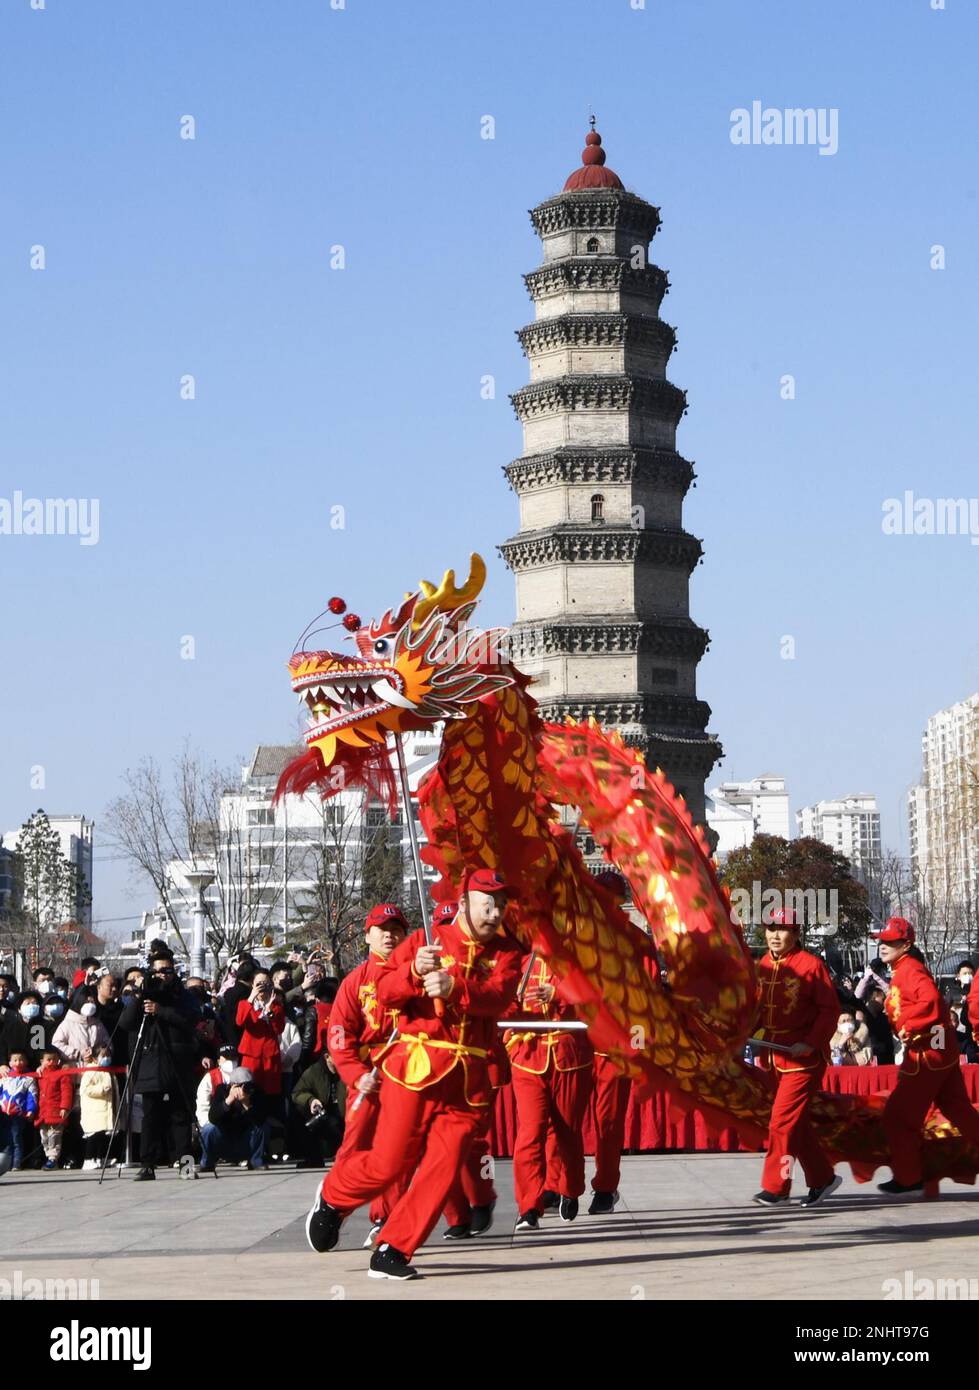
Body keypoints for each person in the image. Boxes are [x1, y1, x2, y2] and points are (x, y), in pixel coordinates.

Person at [307, 869, 523, 1280]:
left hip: (466, 1082)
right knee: (388, 1164)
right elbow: (385, 994)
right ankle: (334, 1197)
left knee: (442, 1169)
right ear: (463, 904)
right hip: (415, 1069)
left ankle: (394, 1248)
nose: (495, 913)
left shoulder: (507, 951)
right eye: (487, 904)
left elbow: (500, 997)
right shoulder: (425, 940)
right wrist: (412, 974)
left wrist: (455, 988)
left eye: (501, 905)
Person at [324, 901, 411, 1240]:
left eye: (396, 931)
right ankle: (333, 1208)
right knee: (355, 1146)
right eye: (382, 930)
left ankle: (385, 1219)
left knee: (398, 1148)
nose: (390, 936)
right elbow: (338, 1035)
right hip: (367, 1075)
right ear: (368, 937)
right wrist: (357, 1074)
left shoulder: (415, 975)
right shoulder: (355, 982)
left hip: (406, 1073)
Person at [878, 918, 979, 1196]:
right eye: (882, 940)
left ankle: (909, 1178)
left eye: (890, 942)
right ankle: (911, 1175)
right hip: (938, 1051)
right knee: (958, 1109)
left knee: (898, 1116)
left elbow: (932, 1003)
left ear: (906, 945)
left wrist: (909, 1026)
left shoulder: (910, 969)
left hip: (928, 1056)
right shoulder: (902, 970)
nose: (883, 946)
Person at [753, 907, 841, 1208]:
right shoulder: (763, 964)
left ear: (796, 934)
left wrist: (811, 1042)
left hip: (802, 1061)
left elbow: (830, 1010)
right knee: (795, 1124)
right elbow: (757, 1010)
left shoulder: (811, 965)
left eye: (782, 930)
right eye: (770, 929)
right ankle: (822, 1178)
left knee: (781, 1123)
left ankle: (777, 1186)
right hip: (774, 1058)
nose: (774, 936)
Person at [505, 953, 594, 1231]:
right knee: (530, 1133)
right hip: (528, 1056)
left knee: (566, 1130)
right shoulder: (517, 960)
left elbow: (598, 992)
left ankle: (569, 1188)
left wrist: (560, 993)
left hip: (568, 1055)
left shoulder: (580, 956)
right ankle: (529, 1206)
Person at [118, 951, 202, 1181]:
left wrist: (161, 1010)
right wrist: (139, 995)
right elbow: (126, 1022)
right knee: (150, 1117)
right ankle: (147, 1165)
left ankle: (186, 1164)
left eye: (167, 970)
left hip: (178, 1061)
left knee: (181, 1115)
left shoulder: (182, 995)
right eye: (158, 971)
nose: (163, 975)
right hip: (151, 1061)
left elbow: (191, 1020)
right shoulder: (145, 993)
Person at [200, 1067, 270, 1173]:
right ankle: (207, 1163)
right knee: (208, 1129)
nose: (246, 1088)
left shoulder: (257, 1092)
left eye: (249, 1084)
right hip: (224, 1140)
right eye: (242, 1085)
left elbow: (261, 1119)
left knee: (264, 1127)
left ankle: (255, 1161)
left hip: (246, 1141)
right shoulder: (222, 1091)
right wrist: (228, 1100)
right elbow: (212, 1118)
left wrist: (247, 1104)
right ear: (232, 1085)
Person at [235, 970, 285, 1099]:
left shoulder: (276, 1006)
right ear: (252, 985)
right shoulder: (244, 1004)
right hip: (251, 1054)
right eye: (259, 984)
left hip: (270, 1055)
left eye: (266, 984)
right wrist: (251, 998)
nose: (263, 987)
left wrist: (270, 1013)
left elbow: (279, 1029)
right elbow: (239, 1022)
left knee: (270, 1093)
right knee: (249, 1090)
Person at [291, 1049, 345, 1166]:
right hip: (324, 1114)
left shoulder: (347, 1069)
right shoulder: (314, 1072)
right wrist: (311, 1100)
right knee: (299, 1116)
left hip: (344, 1115)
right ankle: (314, 1158)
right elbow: (297, 1093)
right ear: (327, 1057)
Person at [51, 986, 111, 1066]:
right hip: (75, 1070)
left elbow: (108, 1043)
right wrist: (77, 1053)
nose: (90, 1005)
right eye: (86, 1002)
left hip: (96, 1069)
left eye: (92, 1002)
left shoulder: (98, 1024)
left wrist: (99, 1052)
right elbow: (57, 1044)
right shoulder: (68, 1023)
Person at [35, 1049, 73, 1169]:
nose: (51, 1062)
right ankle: (48, 1156)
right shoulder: (40, 1074)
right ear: (42, 1061)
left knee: (54, 1136)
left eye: (54, 1060)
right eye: (48, 1060)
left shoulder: (62, 1073)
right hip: (43, 1112)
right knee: (44, 1136)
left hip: (56, 1112)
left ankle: (53, 1159)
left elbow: (67, 1091)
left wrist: (65, 1107)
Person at [79, 1051, 118, 1169]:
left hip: (105, 1109)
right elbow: (86, 1089)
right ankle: (88, 1159)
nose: (106, 1058)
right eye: (103, 1056)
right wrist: (102, 1089)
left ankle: (101, 1158)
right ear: (95, 1058)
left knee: (103, 1135)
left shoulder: (108, 1071)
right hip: (94, 1110)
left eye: (108, 1056)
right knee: (93, 1136)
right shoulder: (91, 1071)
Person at [0, 1052, 39, 1168]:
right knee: (5, 1140)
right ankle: (5, 1164)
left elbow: (32, 1096)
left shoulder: (29, 1078)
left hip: (18, 1114)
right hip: (3, 1114)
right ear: (10, 1063)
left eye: (21, 1060)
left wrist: (31, 1110)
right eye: (15, 1060)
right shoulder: (5, 1077)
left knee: (16, 1139)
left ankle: (16, 1164)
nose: (18, 1063)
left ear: (26, 1062)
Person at [0, 990, 48, 1070]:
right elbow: (2, 1047)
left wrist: (43, 1063)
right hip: (13, 1071)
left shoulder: (44, 1026)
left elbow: (48, 1048)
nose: (31, 1006)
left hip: (38, 1070)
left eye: (34, 1003)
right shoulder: (11, 1026)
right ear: (19, 1009)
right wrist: (2, 1064)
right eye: (27, 1003)